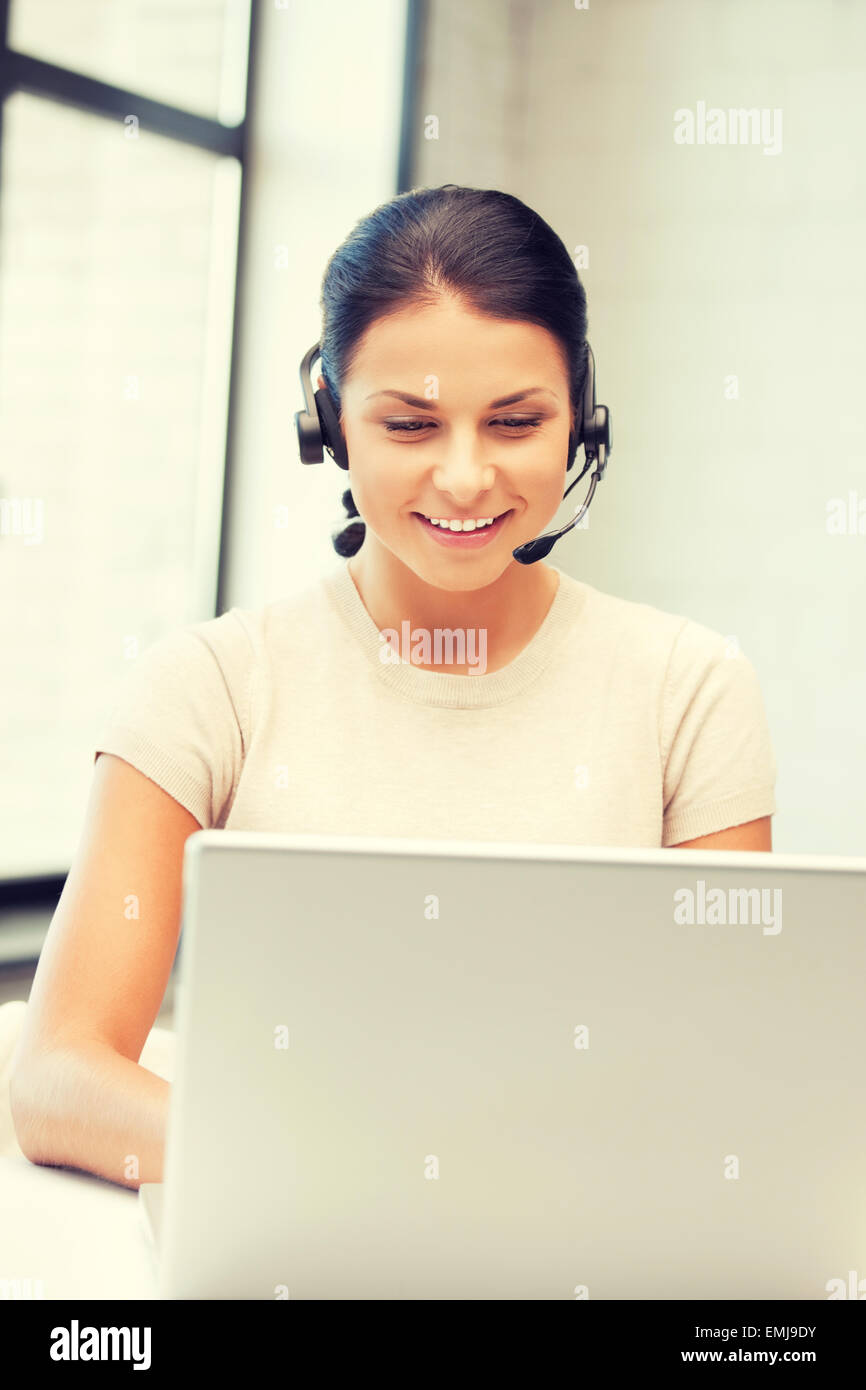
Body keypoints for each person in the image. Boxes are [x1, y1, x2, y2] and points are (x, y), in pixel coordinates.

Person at [8, 184, 776, 1190]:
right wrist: (364, 1173)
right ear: (326, 420)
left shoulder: (689, 690)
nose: (463, 478)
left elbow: (736, 1081)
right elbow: (59, 1078)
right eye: (410, 426)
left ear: (580, 419)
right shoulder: (207, 687)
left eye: (513, 421)